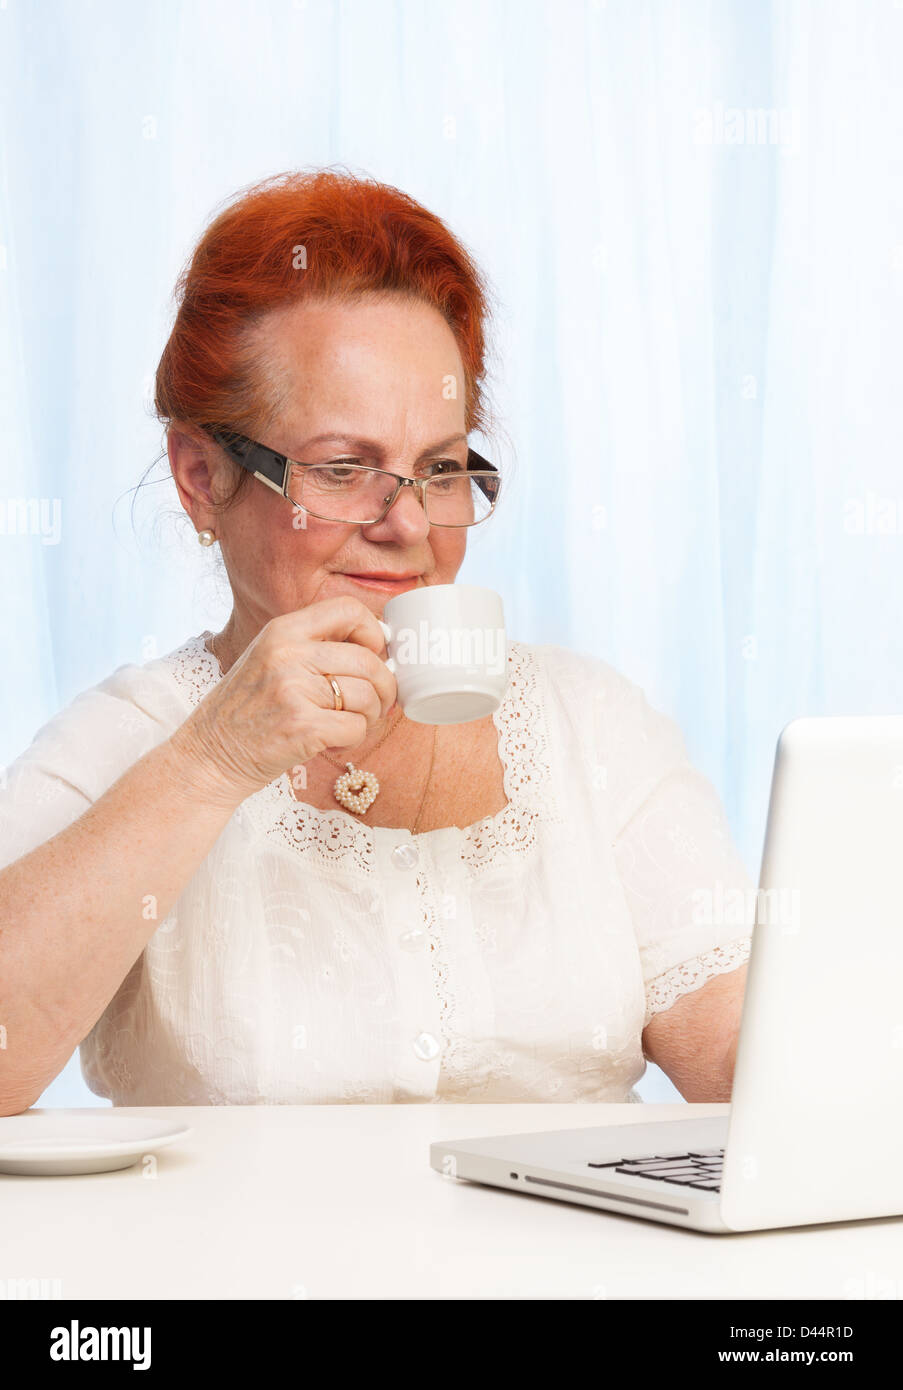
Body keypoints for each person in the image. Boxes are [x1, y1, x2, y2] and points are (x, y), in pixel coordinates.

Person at [0, 169, 752, 1113]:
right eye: (345, 468)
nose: (406, 525)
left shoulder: (589, 726)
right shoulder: (128, 738)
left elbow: (757, 1075)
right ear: (200, 476)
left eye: (438, 469)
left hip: (564, 1264)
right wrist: (211, 761)